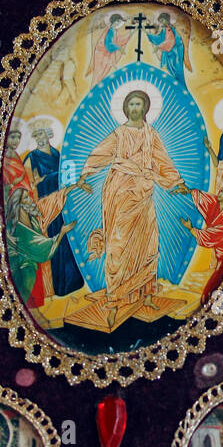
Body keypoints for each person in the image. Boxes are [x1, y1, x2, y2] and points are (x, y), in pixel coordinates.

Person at [80, 90, 189, 311]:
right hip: (119, 191)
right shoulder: (119, 134)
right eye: (131, 104)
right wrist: (85, 174)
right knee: (118, 243)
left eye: (138, 104)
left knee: (148, 242)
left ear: (145, 108)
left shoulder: (151, 134)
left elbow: (162, 160)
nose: (134, 108)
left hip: (143, 192)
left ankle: (145, 294)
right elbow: (100, 154)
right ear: (125, 108)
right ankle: (116, 297)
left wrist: (176, 182)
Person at [25, 121, 85, 297]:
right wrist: (38, 183)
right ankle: (59, 286)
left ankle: (72, 282)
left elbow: (66, 174)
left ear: (48, 135)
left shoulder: (57, 154)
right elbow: (28, 184)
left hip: (62, 200)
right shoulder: (32, 157)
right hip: (47, 204)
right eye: (36, 135)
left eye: (41, 134)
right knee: (55, 237)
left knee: (67, 239)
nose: (39, 138)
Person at [180, 183, 223, 302]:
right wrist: (189, 191)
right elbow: (205, 200)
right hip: (220, 245)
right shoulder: (217, 204)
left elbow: (213, 235)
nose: (220, 193)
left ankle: (212, 300)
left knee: (221, 271)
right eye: (221, 191)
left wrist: (191, 229)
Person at [88, 12, 132, 83]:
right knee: (99, 74)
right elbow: (108, 45)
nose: (119, 24)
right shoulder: (109, 31)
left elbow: (117, 41)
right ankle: (96, 86)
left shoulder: (113, 31)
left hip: (106, 55)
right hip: (102, 56)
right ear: (115, 21)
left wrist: (130, 34)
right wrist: (119, 48)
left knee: (103, 75)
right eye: (119, 21)